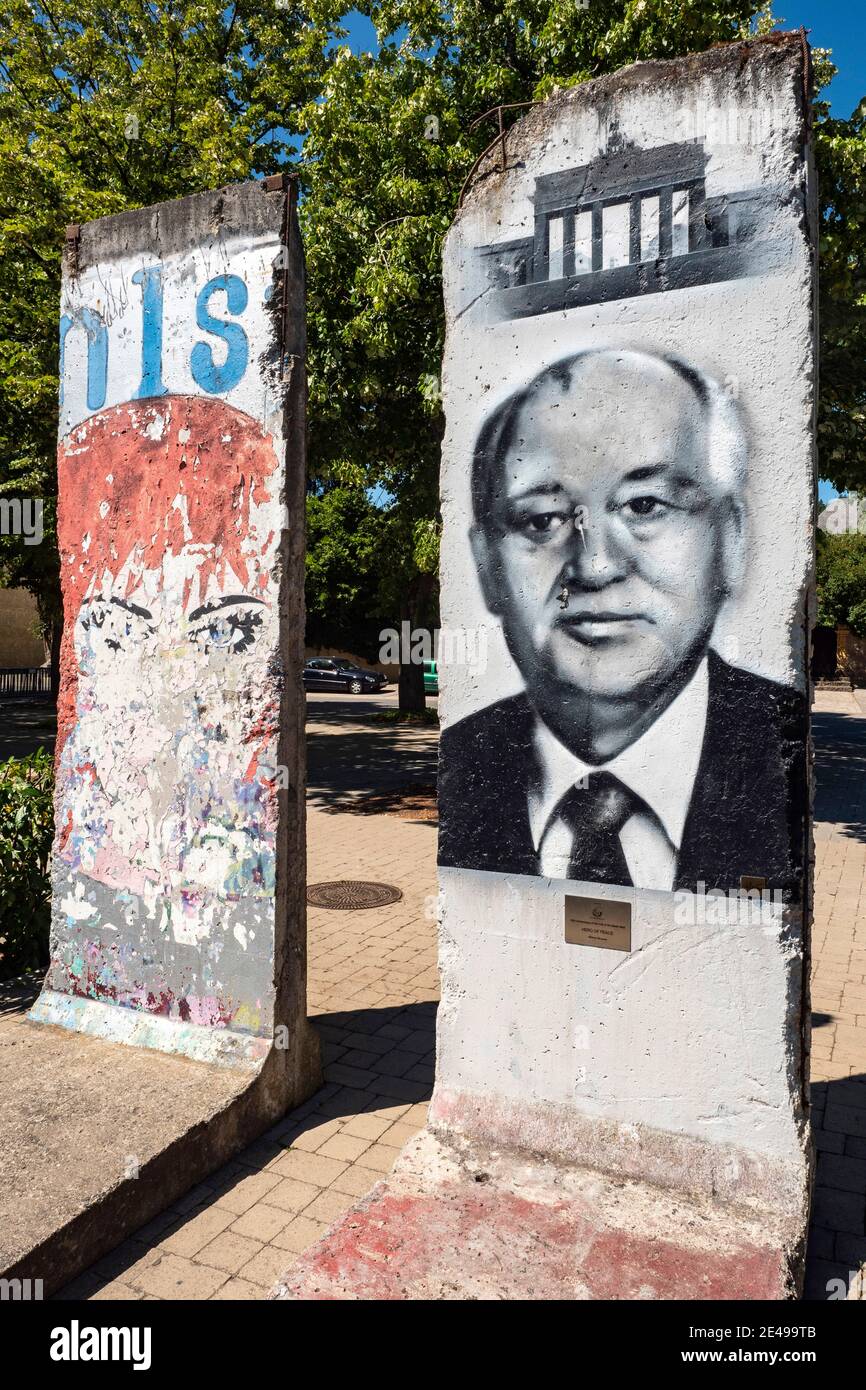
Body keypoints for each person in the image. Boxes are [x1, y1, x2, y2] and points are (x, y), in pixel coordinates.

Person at [438, 348, 807, 895]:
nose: (594, 565)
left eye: (645, 505)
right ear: (488, 566)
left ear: (730, 540)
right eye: (543, 519)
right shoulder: (462, 762)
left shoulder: (786, 745)